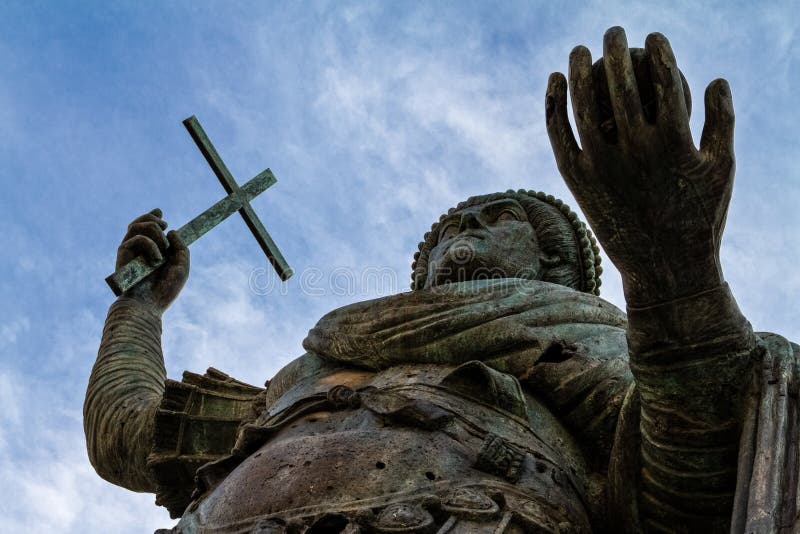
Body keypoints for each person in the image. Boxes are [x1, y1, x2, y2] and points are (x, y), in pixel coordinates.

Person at [84, 28, 799, 533]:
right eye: (457, 224)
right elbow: (128, 439)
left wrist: (673, 274)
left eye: (499, 218)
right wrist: (139, 309)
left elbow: (695, 487)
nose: (468, 229)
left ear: (553, 261)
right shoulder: (319, 363)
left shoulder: (578, 336)